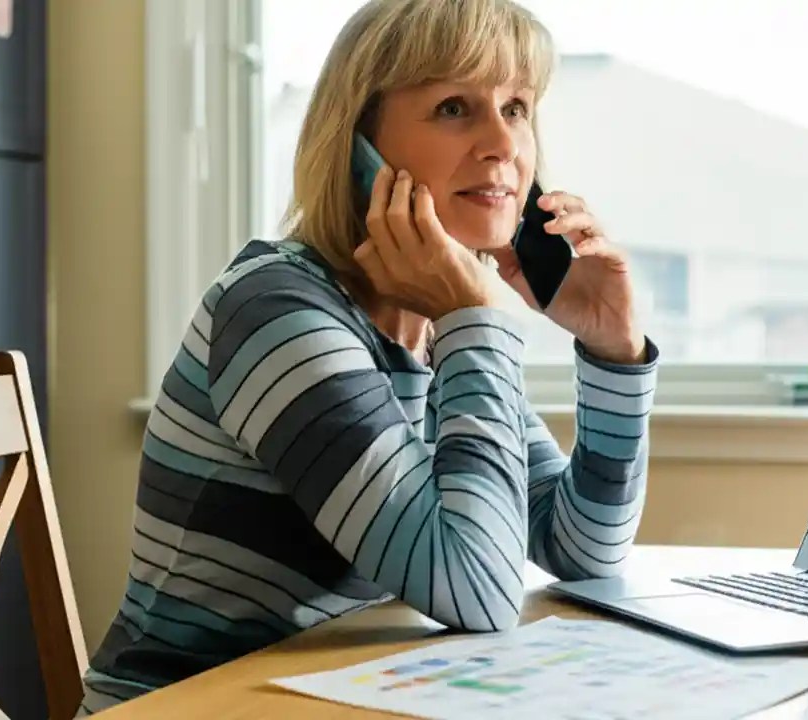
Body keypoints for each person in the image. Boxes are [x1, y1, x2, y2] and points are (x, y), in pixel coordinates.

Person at [75, 0, 657, 714]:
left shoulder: (431, 330)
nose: (503, 143)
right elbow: (478, 590)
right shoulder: (277, 313)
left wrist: (614, 349)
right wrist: (476, 322)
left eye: (516, 106)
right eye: (453, 107)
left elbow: (584, 552)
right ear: (360, 148)